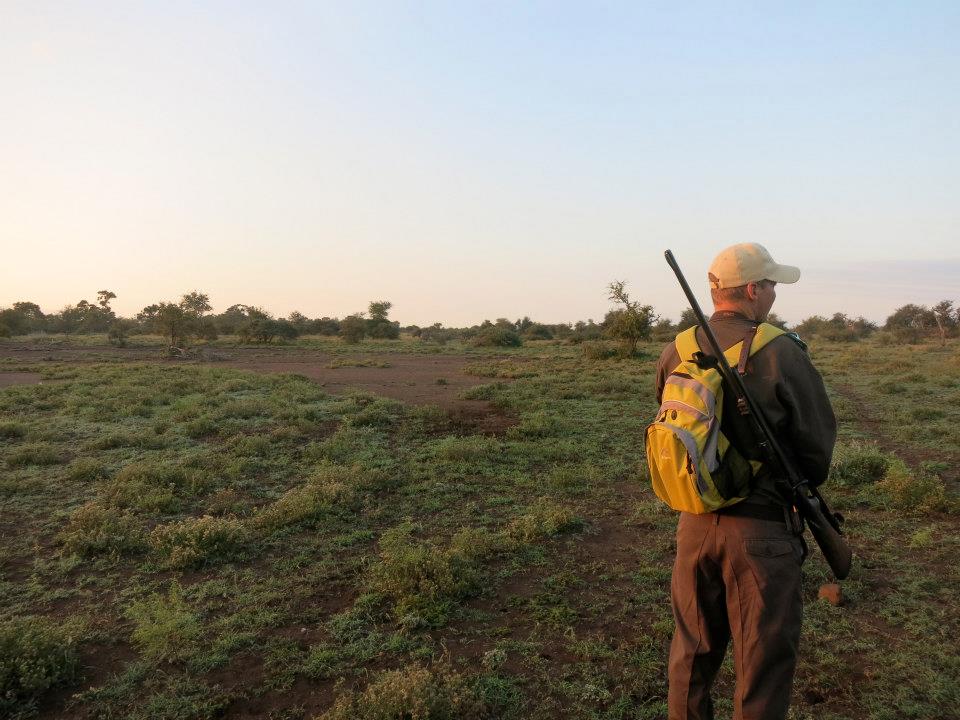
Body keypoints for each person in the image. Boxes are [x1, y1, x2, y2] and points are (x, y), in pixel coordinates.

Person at [654, 243, 837, 720]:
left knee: (691, 653)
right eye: (772, 283)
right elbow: (816, 450)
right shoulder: (780, 350)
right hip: (763, 534)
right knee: (762, 664)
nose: (775, 292)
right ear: (753, 290)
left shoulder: (678, 347)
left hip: (694, 526)